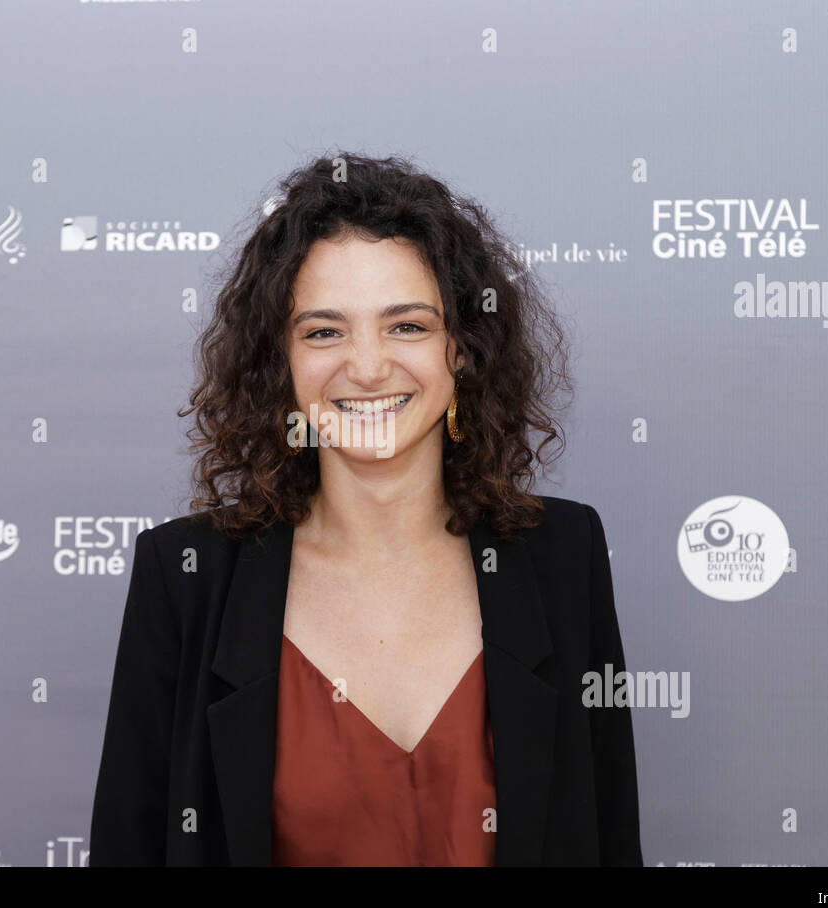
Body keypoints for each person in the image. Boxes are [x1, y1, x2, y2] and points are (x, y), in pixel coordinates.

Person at [90, 151, 642, 866]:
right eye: (324, 331)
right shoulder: (188, 576)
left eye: (407, 326)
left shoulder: (561, 556)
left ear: (463, 350)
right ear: (277, 364)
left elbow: (606, 837)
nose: (369, 366)